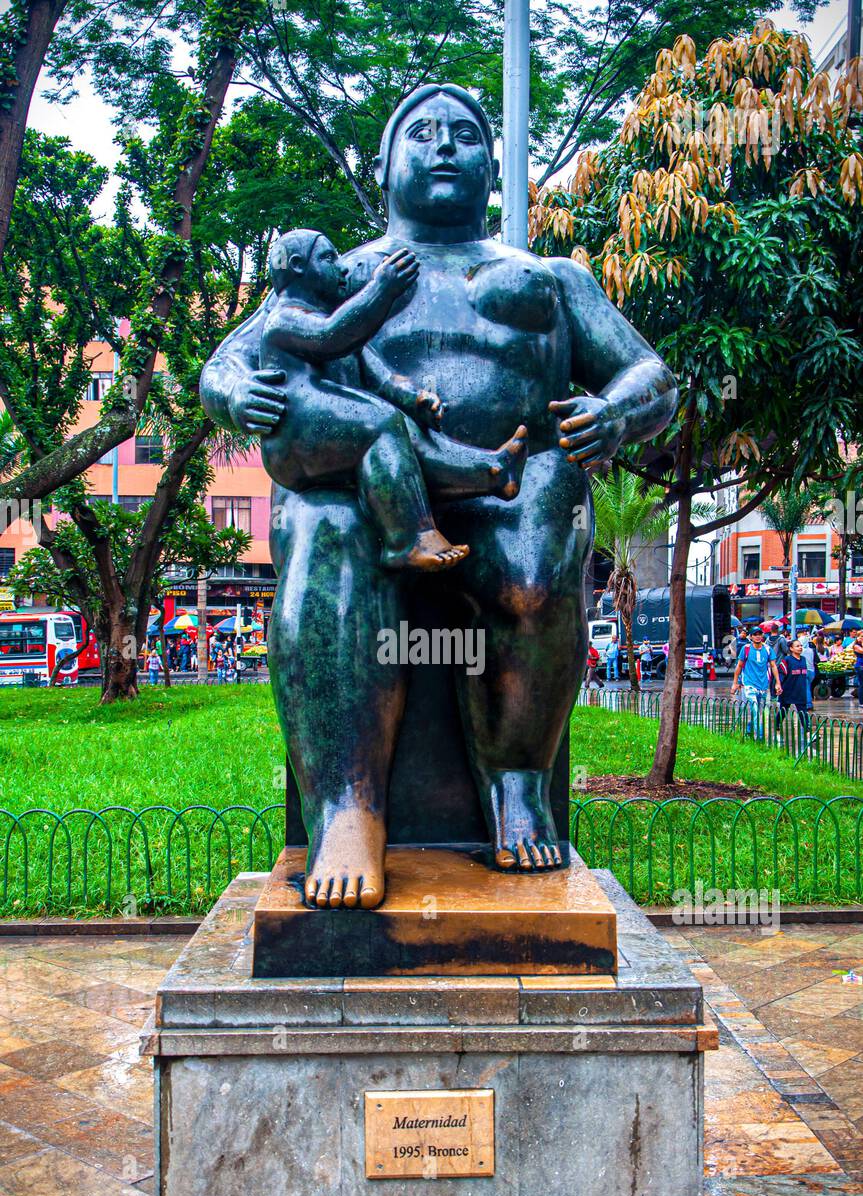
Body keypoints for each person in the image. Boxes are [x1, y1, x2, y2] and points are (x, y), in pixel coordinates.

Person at [199, 82, 677, 906]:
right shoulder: (341, 273)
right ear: (385, 166)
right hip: (368, 489)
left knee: (535, 557)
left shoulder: (548, 277)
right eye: (421, 133)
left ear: (491, 164)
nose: (444, 145)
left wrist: (613, 412)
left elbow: (652, 376)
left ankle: (516, 781)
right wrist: (237, 398)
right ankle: (346, 805)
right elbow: (228, 363)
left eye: (463, 133)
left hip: (516, 483)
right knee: (318, 527)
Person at [260, 228, 530, 571]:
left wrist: (416, 399)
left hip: (329, 433)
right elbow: (331, 337)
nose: (342, 268)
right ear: (297, 267)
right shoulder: (286, 318)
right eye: (328, 258)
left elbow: (382, 379)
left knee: (404, 430)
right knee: (381, 423)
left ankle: (493, 471)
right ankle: (407, 539)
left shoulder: (344, 330)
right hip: (294, 442)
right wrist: (381, 289)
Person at [731, 628, 781, 739]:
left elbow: (773, 666)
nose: (758, 636)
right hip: (749, 685)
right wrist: (735, 683)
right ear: (751, 637)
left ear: (762, 636)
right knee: (755, 709)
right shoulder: (746, 649)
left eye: (759, 634)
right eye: (755, 634)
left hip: (763, 685)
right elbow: (739, 666)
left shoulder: (768, 649)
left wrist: (778, 683)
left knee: (759, 712)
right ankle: (760, 738)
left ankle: (749, 728)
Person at [777, 638, 811, 737]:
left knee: (803, 711)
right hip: (788, 690)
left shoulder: (803, 659)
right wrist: (778, 685)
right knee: (783, 710)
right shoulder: (786, 660)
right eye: (797, 646)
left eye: (800, 646)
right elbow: (781, 674)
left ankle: (807, 729)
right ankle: (777, 725)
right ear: (791, 648)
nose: (800, 648)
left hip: (800, 690)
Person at [853, 630, 863, 706]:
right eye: (861, 636)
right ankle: (861, 702)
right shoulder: (856, 645)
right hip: (860, 666)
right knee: (862, 684)